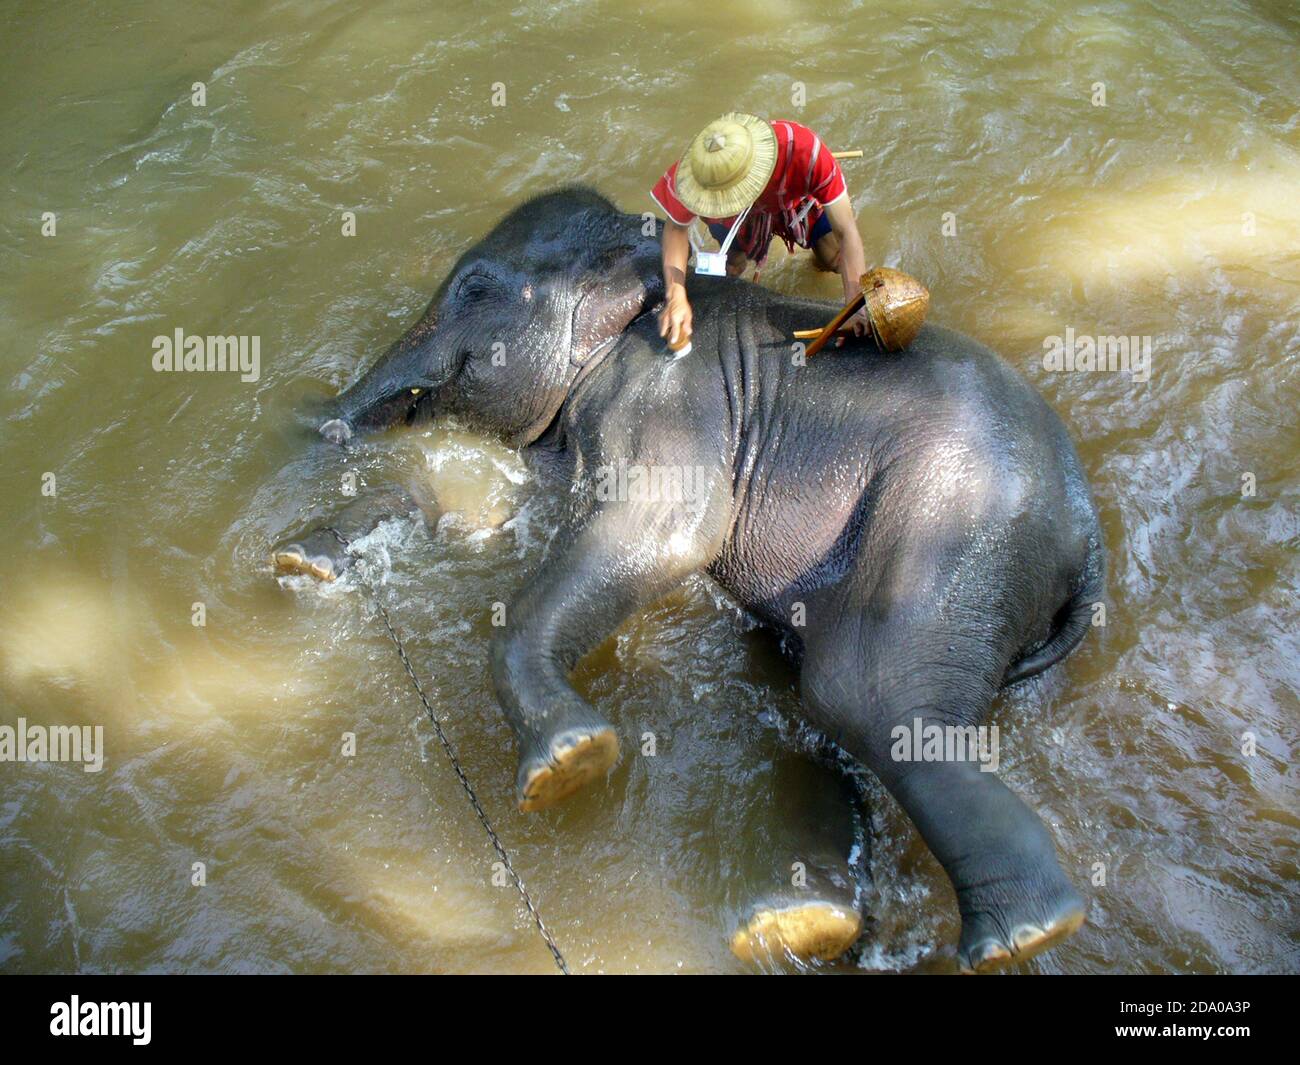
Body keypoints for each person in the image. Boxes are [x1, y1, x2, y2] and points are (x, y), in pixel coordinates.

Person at [651, 112, 870, 349]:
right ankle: (738, 255)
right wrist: (675, 294)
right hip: (736, 219)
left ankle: (817, 264)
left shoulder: (804, 152)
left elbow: (846, 231)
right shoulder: (695, 174)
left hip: (792, 201)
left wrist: (854, 306)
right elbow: (676, 228)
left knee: (833, 258)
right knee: (732, 266)